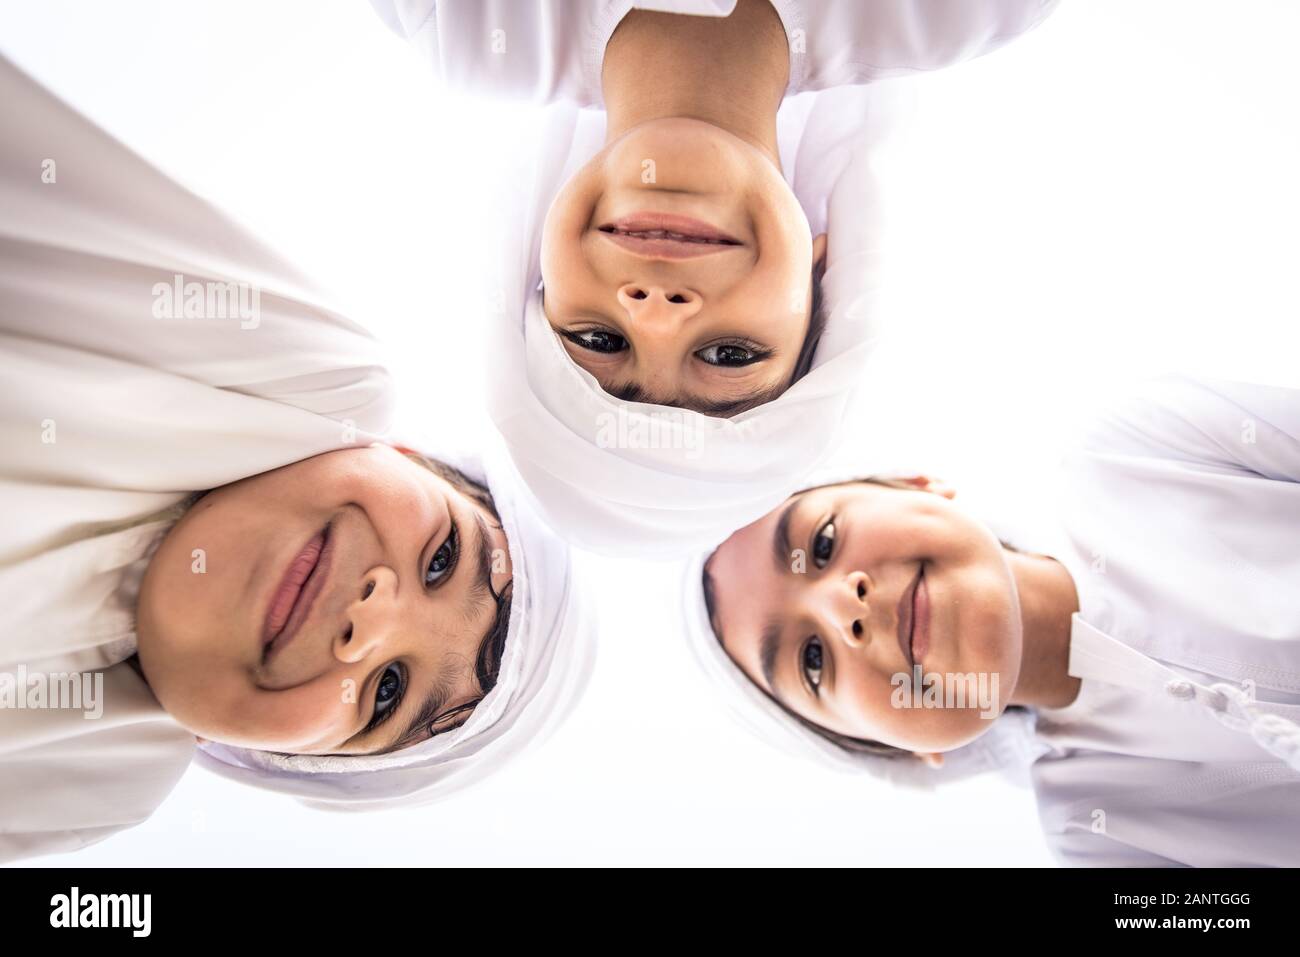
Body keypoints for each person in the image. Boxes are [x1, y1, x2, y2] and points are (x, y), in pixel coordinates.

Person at [0, 55, 593, 862]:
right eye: (445, 553)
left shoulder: (89, 778)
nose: (371, 617)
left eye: (387, 693)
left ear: (284, 759)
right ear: (403, 453)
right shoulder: (312, 383)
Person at [370, 0, 1060, 555]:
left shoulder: (454, 18)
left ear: (536, 274)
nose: (658, 309)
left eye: (597, 340)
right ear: (825, 277)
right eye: (729, 355)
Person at [688, 375, 1300, 866]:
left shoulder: (1140, 446)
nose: (842, 607)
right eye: (812, 661)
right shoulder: (1102, 843)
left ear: (917, 485)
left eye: (822, 544)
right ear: (898, 751)